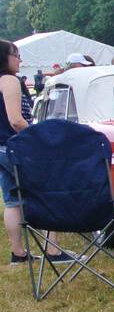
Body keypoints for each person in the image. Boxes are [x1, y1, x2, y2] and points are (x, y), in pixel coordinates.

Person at [0, 40, 74, 264]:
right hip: (16, 146)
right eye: (16, 55)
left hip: (1, 149)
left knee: (12, 200)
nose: (20, 60)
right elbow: (15, 120)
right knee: (50, 190)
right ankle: (53, 251)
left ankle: (19, 254)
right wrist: (39, 134)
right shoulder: (9, 80)